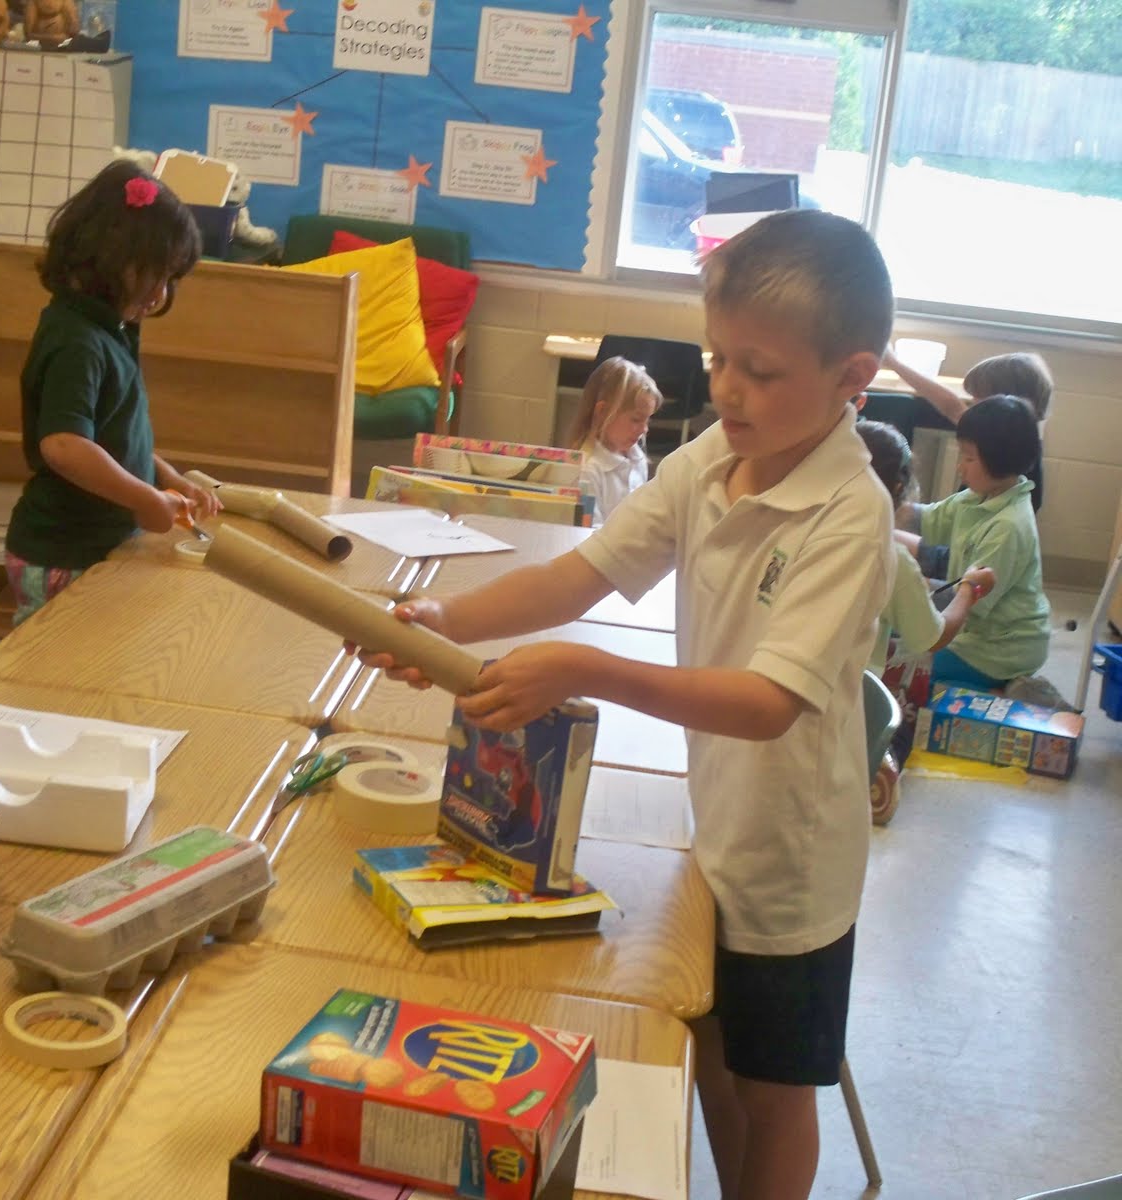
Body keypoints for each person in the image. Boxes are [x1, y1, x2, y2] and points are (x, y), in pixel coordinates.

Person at [357, 210, 896, 1200]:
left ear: (850, 376)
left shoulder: (850, 517)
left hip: (789, 867)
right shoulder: (711, 458)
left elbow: (766, 703)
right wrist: (446, 619)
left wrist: (586, 671)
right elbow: (582, 574)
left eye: (760, 370)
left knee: (774, 1091)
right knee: (712, 1052)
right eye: (718, 357)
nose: (726, 387)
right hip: (716, 826)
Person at [4, 161, 220, 625]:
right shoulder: (76, 340)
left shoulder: (107, 331)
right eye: (152, 274)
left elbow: (115, 436)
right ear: (103, 256)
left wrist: (167, 479)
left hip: (96, 546)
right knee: (62, 662)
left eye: (170, 279)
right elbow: (64, 446)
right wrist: (145, 499)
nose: (159, 294)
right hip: (64, 552)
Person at [905, 395, 1051, 692]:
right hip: (976, 630)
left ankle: (1012, 694)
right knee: (906, 643)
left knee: (911, 670)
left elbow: (969, 602)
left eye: (969, 458)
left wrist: (915, 588)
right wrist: (881, 507)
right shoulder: (977, 496)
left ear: (1000, 459)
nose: (960, 467)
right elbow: (928, 518)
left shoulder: (1008, 527)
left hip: (1001, 647)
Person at [856, 420, 996, 675]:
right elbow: (935, 637)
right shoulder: (891, 560)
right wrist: (969, 589)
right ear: (898, 487)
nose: (960, 467)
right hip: (852, 689)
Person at [883, 347, 1052, 512]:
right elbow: (951, 407)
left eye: (979, 401)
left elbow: (953, 408)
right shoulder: (1004, 434)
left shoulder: (1014, 459)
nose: (972, 408)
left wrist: (894, 363)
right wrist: (894, 363)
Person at [564, 356, 662, 526]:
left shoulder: (637, 459)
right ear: (602, 412)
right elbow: (589, 533)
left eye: (647, 420)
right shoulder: (586, 472)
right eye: (636, 419)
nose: (644, 429)